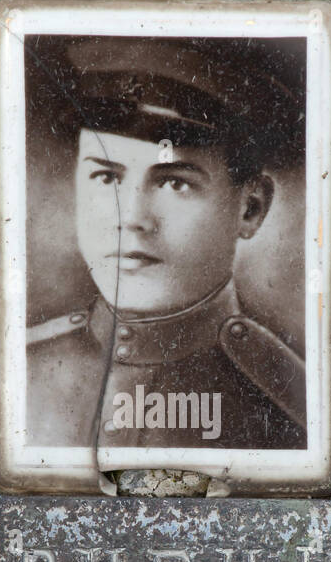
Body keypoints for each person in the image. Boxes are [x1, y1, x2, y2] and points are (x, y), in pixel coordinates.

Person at [25, 36, 308, 451]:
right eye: (107, 178)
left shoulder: (294, 410)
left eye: (175, 183)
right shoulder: (19, 375)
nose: (133, 219)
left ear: (251, 208)